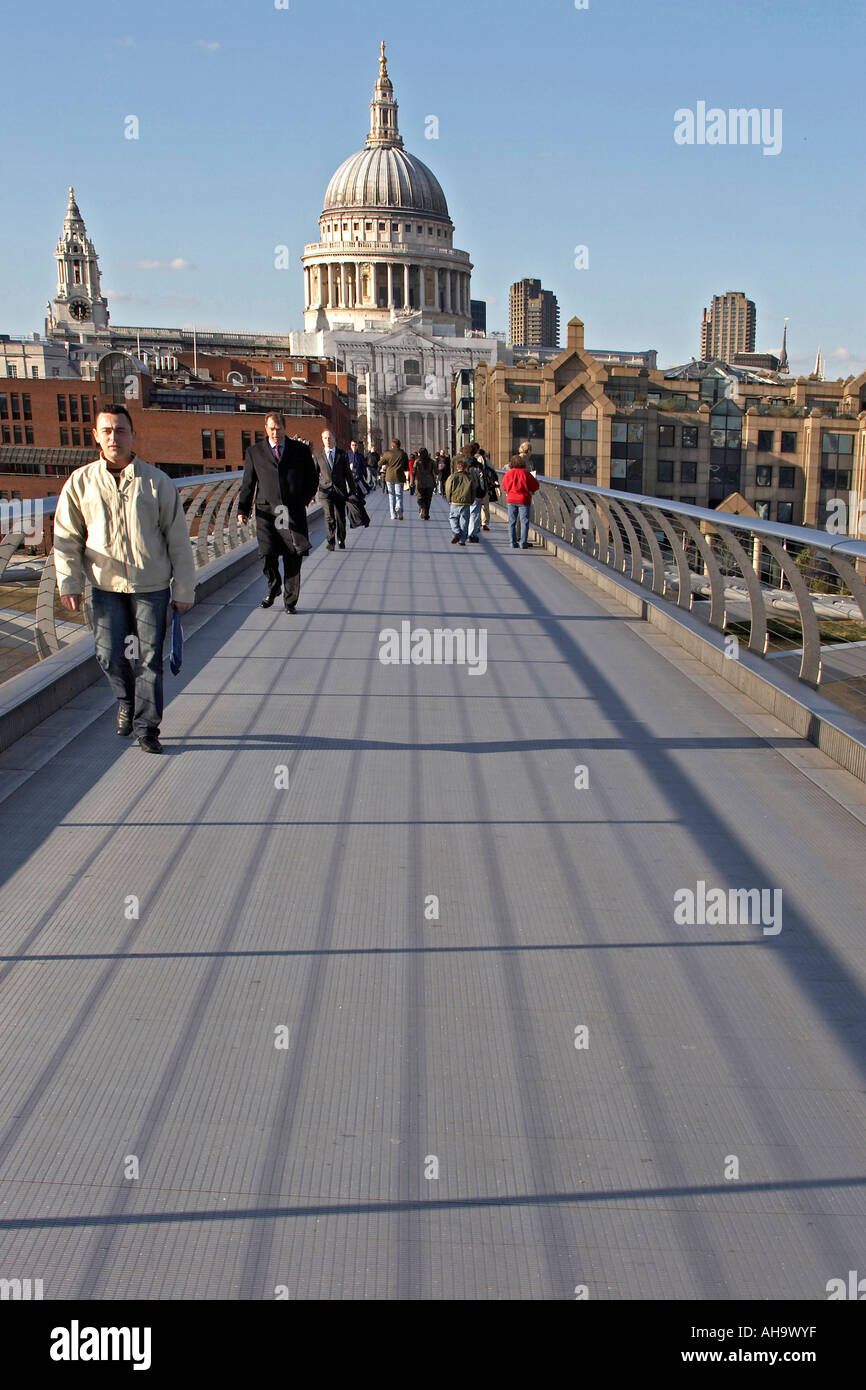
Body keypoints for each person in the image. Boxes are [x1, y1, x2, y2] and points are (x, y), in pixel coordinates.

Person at [53, 403, 196, 754]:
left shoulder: (156, 482)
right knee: (107, 654)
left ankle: (147, 727)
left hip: (151, 586)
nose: (114, 437)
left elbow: (177, 538)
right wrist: (68, 581)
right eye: (107, 431)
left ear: (133, 435)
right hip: (105, 586)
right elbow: (66, 536)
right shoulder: (81, 482)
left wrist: (184, 587)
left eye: (120, 430)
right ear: (96, 437)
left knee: (148, 658)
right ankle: (127, 700)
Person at [237, 410, 318, 613]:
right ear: (266, 429)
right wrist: (243, 509)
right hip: (267, 510)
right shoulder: (254, 452)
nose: (275, 432)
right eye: (271, 428)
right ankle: (274, 586)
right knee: (266, 552)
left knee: (292, 555)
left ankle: (290, 602)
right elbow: (248, 483)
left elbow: (312, 478)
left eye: (279, 428)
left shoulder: (300, 450)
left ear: (284, 428)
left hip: (291, 510)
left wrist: (303, 500)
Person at [313, 428, 355, 550]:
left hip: (340, 491)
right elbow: (314, 475)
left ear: (334, 439)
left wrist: (352, 490)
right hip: (325, 491)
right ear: (322, 440)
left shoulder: (342, 454)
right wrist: (310, 492)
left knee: (340, 517)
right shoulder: (318, 456)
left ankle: (341, 539)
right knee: (328, 516)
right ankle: (331, 541)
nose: (328, 440)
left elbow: (348, 473)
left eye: (329, 437)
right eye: (325, 438)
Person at [501, 448, 540, 549]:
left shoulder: (508, 473)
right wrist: (530, 491)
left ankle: (512, 542)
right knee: (524, 521)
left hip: (511, 499)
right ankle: (523, 542)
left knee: (512, 522)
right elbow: (535, 485)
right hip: (524, 499)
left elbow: (504, 485)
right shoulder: (525, 473)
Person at [444, 455, 476, 545]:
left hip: (455, 501)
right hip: (466, 502)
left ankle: (456, 532)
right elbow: (473, 489)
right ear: (466, 468)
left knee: (453, 518)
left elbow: (448, 488)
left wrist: (449, 498)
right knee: (464, 521)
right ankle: (462, 540)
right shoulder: (469, 478)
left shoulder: (452, 477)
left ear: (457, 467)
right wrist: (471, 500)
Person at [380, 437, 409, 519]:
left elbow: (380, 463)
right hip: (399, 476)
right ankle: (399, 507)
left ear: (392, 445)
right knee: (399, 494)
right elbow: (406, 467)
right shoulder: (403, 454)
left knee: (391, 495)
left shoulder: (387, 453)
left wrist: (379, 471)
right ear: (399, 445)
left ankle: (393, 514)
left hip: (389, 476)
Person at [465, 443, 487, 543]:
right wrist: (483, 492)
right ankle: (472, 534)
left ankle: (463, 532)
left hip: (464, 492)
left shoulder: (461, 464)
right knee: (474, 513)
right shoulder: (478, 465)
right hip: (476, 492)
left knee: (464, 513)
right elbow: (481, 479)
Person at [475, 444, 497, 530]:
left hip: (472, 486)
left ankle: (475, 523)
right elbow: (492, 470)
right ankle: (484, 523)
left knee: (475, 506)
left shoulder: (468, 458)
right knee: (485, 505)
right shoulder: (483, 458)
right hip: (483, 485)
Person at [411, 447, 436, 519]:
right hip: (429, 482)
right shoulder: (432, 461)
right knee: (428, 499)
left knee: (420, 498)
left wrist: (412, 481)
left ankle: (422, 508)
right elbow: (436, 471)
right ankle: (426, 514)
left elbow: (413, 472)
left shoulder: (417, 461)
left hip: (420, 482)